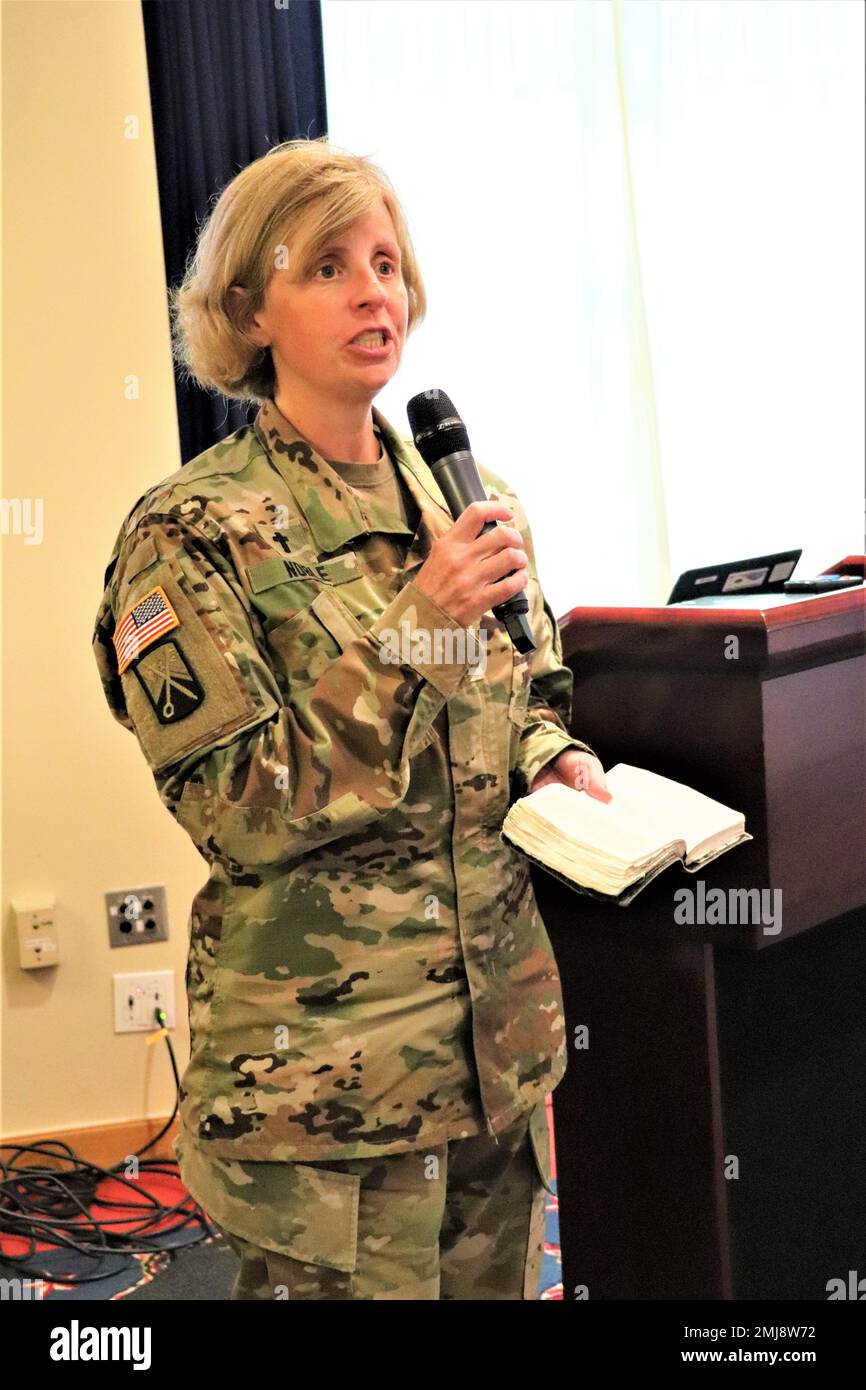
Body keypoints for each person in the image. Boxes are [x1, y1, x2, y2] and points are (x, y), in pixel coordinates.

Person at [92, 137, 610, 1300]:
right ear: (248, 308)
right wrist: (415, 627)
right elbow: (240, 810)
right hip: (327, 1107)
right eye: (327, 265)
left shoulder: (469, 502)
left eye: (386, 261)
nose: (374, 289)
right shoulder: (189, 534)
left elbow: (523, 692)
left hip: (494, 1061)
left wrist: (553, 757)